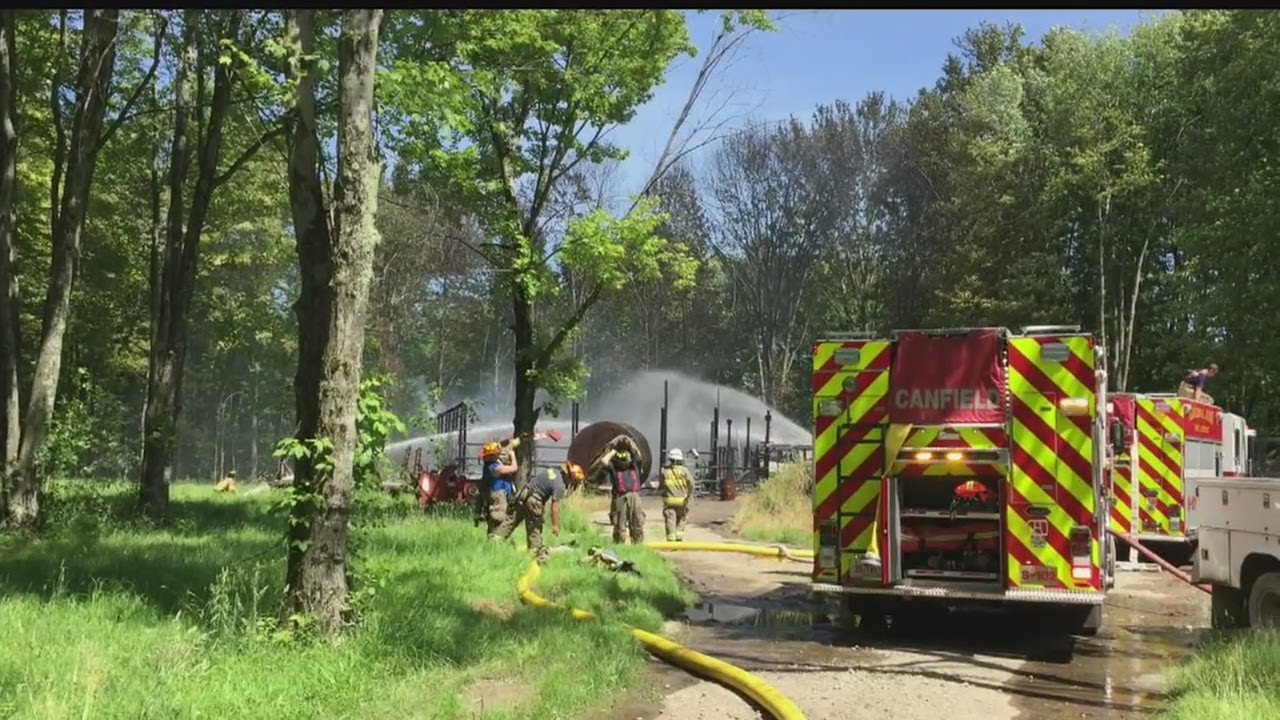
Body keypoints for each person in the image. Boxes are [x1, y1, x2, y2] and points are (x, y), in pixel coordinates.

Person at [492, 461, 585, 564]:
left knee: (511, 520)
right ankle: (536, 557)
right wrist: (555, 525)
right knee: (534, 528)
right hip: (534, 500)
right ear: (570, 477)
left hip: (524, 493)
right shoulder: (560, 485)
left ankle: (494, 542)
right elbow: (554, 507)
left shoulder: (553, 471)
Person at [600, 439, 645, 544]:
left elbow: (638, 456)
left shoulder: (633, 465)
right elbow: (604, 461)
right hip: (622, 497)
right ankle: (620, 544)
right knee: (620, 523)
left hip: (634, 496)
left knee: (637, 522)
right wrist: (613, 451)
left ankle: (637, 544)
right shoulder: (614, 468)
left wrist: (630, 447)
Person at [474, 440, 518, 535]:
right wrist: (513, 455)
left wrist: (509, 443)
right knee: (499, 521)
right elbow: (514, 468)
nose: (498, 454)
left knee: (499, 522)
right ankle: (496, 540)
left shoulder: (491, 464)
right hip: (498, 498)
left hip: (500, 496)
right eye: (496, 453)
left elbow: (500, 447)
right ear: (492, 455)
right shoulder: (494, 468)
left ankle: (496, 540)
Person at [659, 448, 693, 542]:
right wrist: (688, 495)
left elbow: (661, 485)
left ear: (670, 459)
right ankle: (679, 538)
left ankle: (670, 540)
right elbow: (691, 484)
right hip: (682, 501)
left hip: (669, 501)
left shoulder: (664, 471)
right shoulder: (685, 471)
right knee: (682, 518)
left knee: (670, 520)